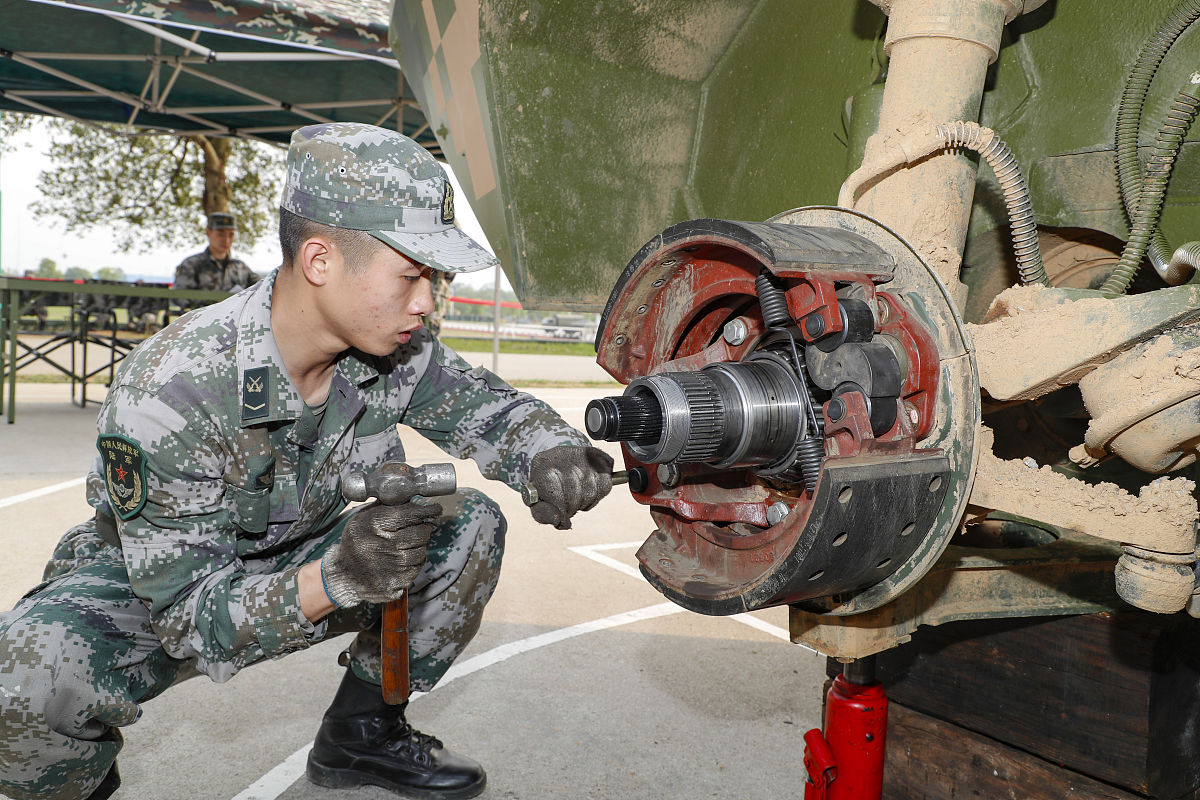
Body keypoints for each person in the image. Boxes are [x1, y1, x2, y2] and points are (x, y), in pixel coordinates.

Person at [0, 123, 615, 800]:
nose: (426, 302)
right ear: (321, 261)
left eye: (433, 279)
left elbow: (492, 410)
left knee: (466, 524)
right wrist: (339, 576)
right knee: (28, 675)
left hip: (308, 549)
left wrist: (552, 451)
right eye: (411, 275)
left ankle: (362, 734)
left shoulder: (396, 347)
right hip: (162, 583)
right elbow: (190, 617)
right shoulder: (173, 390)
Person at [172, 211, 259, 304]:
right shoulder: (191, 265)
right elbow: (179, 297)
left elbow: (262, 288)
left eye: (231, 234)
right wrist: (213, 304)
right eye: (221, 234)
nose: (226, 240)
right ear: (208, 232)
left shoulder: (240, 267)